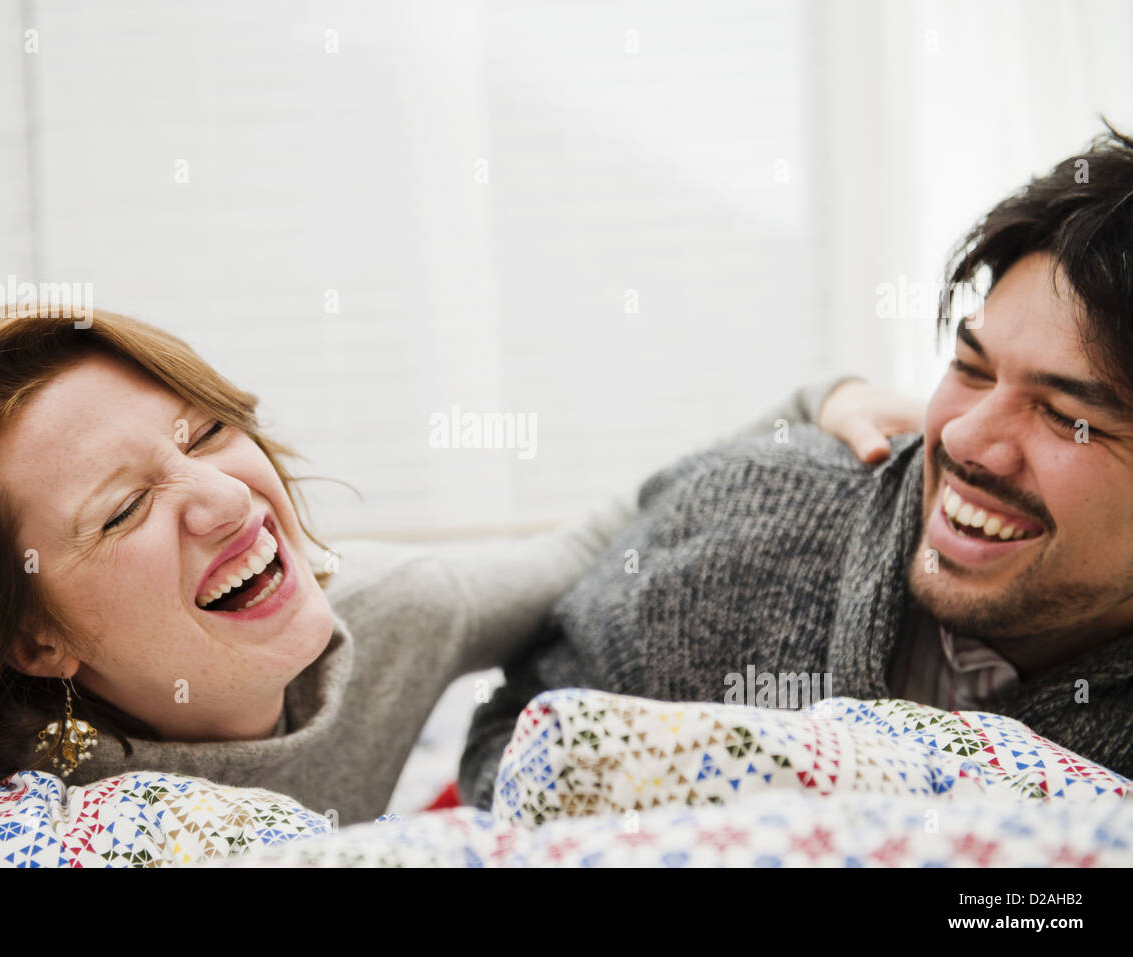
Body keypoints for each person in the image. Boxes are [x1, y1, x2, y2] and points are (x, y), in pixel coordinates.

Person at [0, 309, 914, 837]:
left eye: (206, 433)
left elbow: (596, 546)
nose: (222, 499)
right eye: (121, 511)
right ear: (35, 641)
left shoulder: (389, 616)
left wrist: (820, 401)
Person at [459, 122, 1133, 807]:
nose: (965, 438)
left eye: (1061, 415)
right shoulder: (748, 529)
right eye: (970, 367)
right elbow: (510, 742)